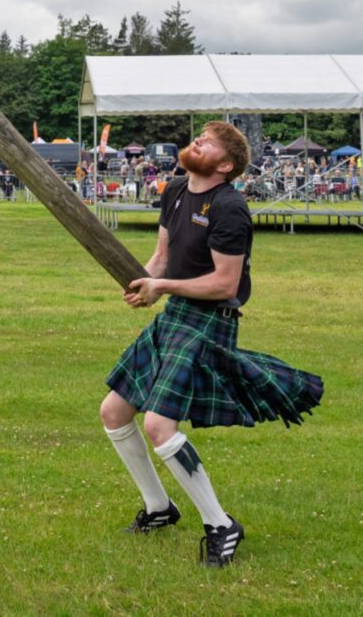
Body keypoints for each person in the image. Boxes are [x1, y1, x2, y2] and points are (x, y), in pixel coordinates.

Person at [99, 121, 323, 569]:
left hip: (209, 321)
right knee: (114, 411)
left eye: (207, 144)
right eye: (197, 137)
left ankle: (221, 525)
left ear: (224, 165)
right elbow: (161, 256)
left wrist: (161, 285)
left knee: (159, 426)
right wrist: (146, 281)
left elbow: (225, 283)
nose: (196, 143)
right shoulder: (177, 190)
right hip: (176, 316)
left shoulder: (229, 206)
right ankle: (160, 508)